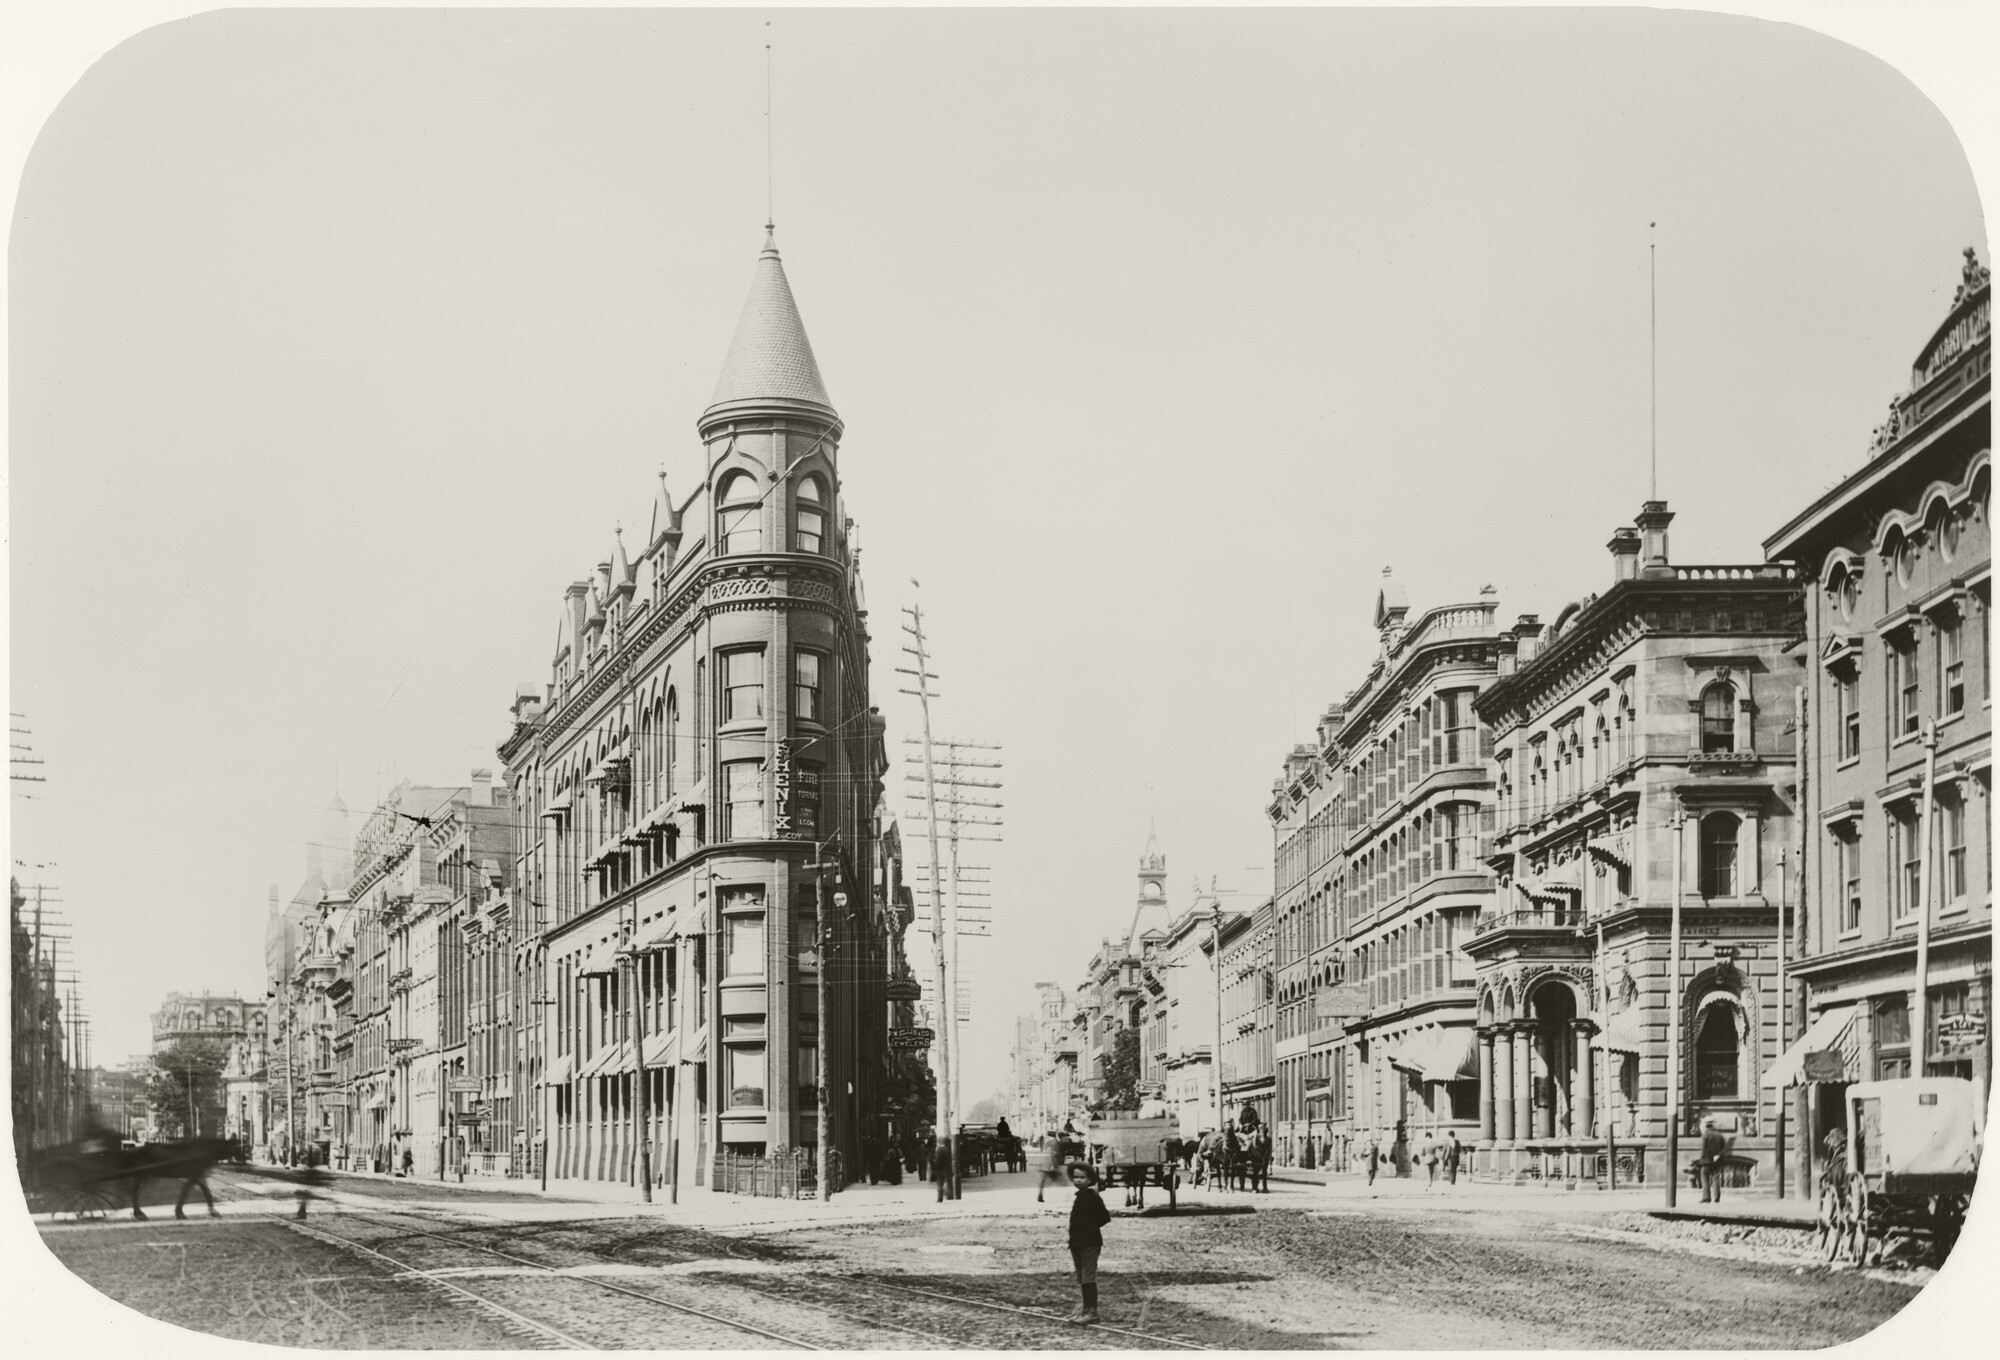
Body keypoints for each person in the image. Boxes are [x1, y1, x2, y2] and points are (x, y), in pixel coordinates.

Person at [1065, 1162, 1111, 1325]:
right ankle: (1085, 1309)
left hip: (1090, 1242)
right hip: (1077, 1243)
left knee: (1088, 1277)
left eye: (1082, 1177)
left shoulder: (1092, 1197)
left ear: (1090, 1179)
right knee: (1082, 1277)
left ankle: (1092, 1312)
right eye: (1075, 1177)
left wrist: (1089, 1228)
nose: (1078, 1180)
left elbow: (1104, 1217)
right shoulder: (1079, 1197)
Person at [1700, 1118, 1728, 1203]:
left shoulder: (1706, 1135)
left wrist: (1702, 1160)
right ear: (1713, 1125)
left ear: (1706, 1125)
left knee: (1705, 1178)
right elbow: (1725, 1148)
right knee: (1716, 1178)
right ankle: (1716, 1197)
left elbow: (1705, 1149)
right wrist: (1717, 1155)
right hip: (1717, 1160)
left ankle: (1706, 1197)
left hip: (1707, 1160)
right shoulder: (1720, 1135)